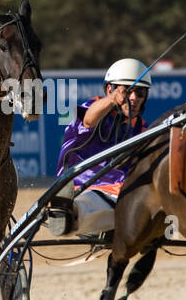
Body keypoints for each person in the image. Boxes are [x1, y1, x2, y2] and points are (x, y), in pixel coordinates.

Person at [46, 58, 152, 236]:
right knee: (95, 203)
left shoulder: (141, 128)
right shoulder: (94, 108)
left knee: (141, 201)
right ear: (110, 89)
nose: (134, 98)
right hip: (83, 185)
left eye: (140, 92)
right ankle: (66, 211)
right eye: (128, 90)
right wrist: (112, 100)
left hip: (120, 192)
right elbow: (88, 119)